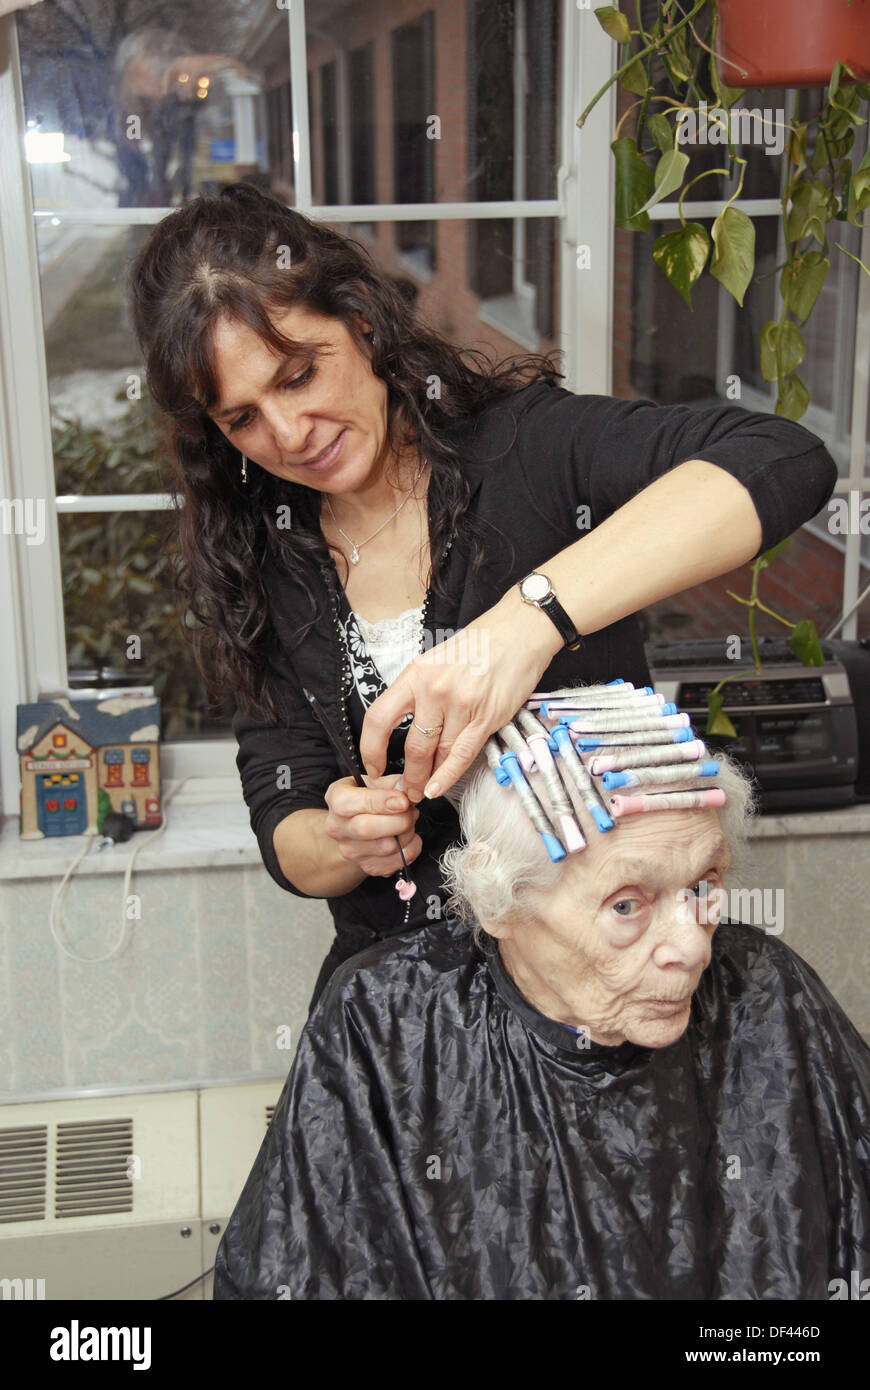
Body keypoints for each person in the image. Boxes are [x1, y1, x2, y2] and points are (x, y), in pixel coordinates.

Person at [129, 181, 839, 1011]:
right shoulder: (264, 551)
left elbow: (784, 458)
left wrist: (529, 619)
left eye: (297, 375)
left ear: (361, 321)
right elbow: (284, 823)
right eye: (242, 418)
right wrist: (346, 837)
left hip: (601, 994)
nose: (288, 435)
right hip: (404, 1020)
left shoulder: (527, 452)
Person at [212, 685, 870, 1301]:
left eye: (703, 887)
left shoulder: (764, 987)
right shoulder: (384, 1022)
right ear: (501, 906)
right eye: (625, 904)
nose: (695, 947)